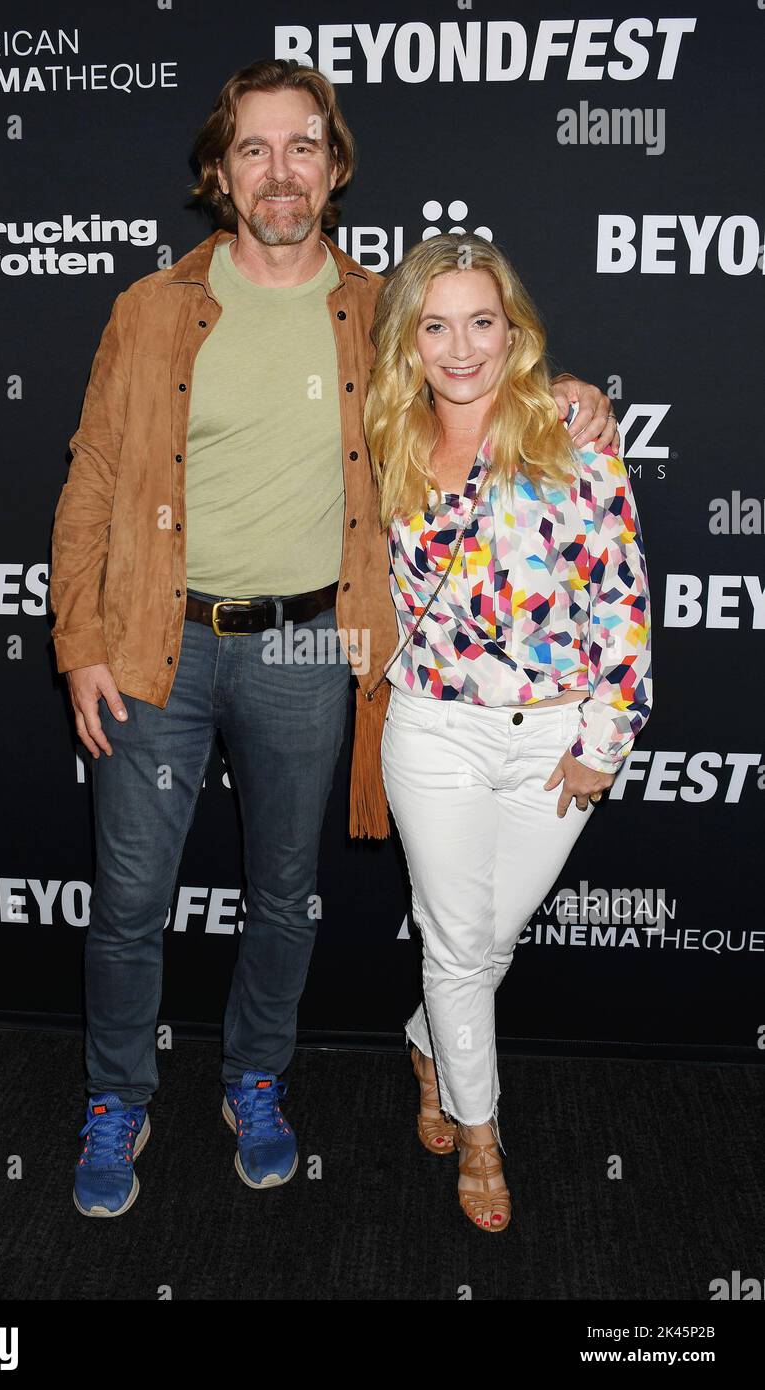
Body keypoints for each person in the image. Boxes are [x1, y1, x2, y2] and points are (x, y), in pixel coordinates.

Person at [50, 57, 619, 1217]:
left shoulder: (377, 311)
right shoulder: (150, 310)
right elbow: (94, 480)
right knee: (127, 897)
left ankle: (254, 1083)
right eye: (253, 149)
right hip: (159, 637)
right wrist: (79, 642)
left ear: (333, 163)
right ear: (221, 172)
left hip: (312, 644)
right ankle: (117, 1097)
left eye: (301, 145)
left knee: (285, 891)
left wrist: (569, 387)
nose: (279, 171)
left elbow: (478, 365)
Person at [362, 232, 652, 1232]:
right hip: (432, 729)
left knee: (484, 940)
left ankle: (424, 1038)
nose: (459, 345)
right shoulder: (383, 436)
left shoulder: (569, 433)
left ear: (513, 329)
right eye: (434, 324)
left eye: (480, 321)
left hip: (551, 739)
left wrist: (604, 740)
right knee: (455, 945)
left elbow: (620, 602)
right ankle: (478, 1133)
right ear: (407, 341)